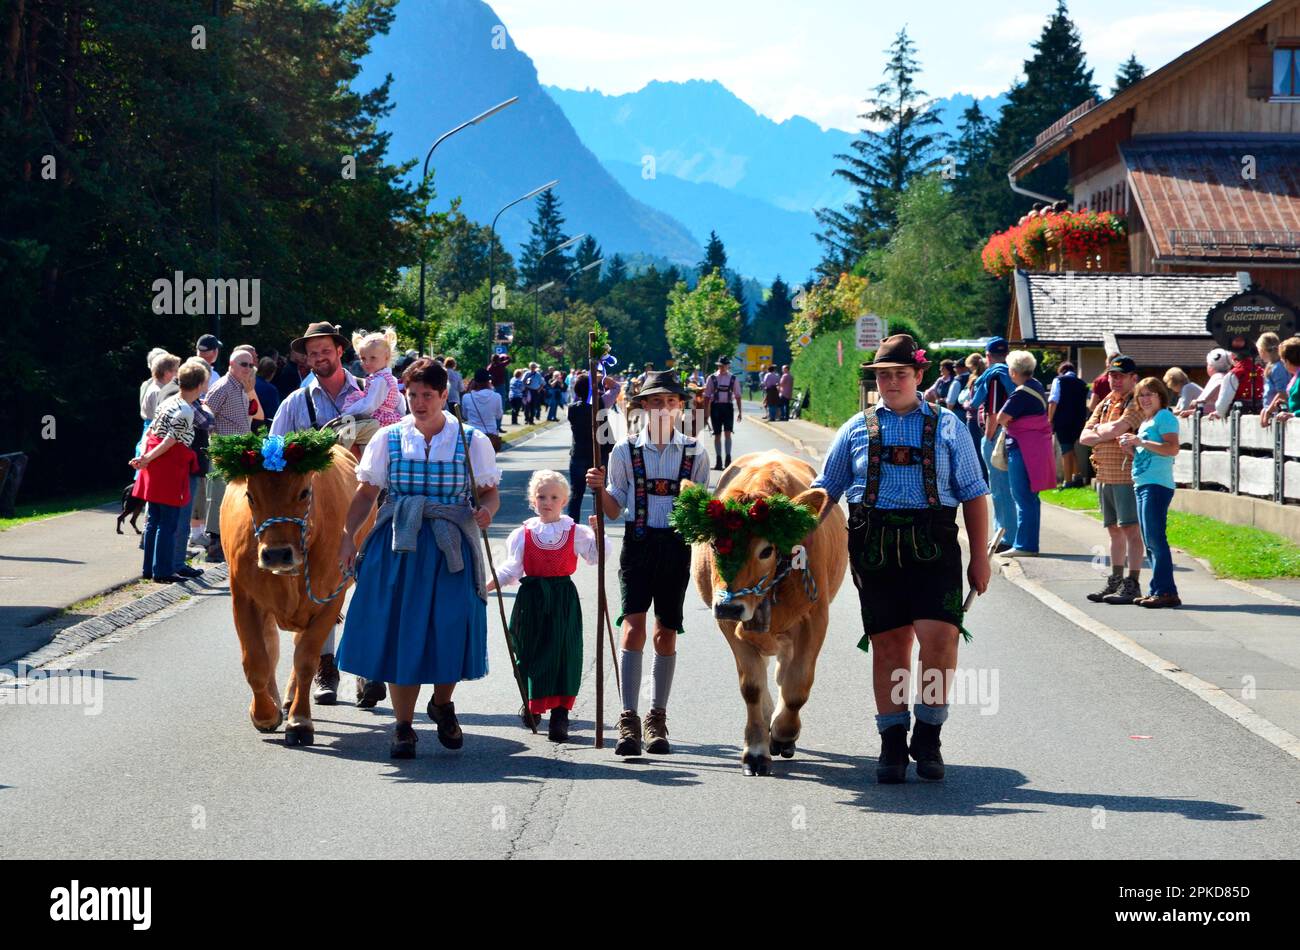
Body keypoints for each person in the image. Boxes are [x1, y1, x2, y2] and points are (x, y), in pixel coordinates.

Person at [811, 334, 990, 784]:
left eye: (900, 374)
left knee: (941, 640)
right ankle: (892, 742)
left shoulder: (948, 425)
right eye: (883, 375)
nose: (891, 382)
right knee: (890, 646)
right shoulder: (856, 427)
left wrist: (980, 558)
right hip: (873, 545)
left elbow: (973, 493)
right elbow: (825, 490)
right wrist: (792, 530)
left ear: (918, 375)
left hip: (934, 543)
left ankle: (928, 735)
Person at [336, 358, 501, 759]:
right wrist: (347, 536)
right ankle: (404, 725)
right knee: (400, 630)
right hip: (398, 544)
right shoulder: (388, 438)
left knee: (451, 624)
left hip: (450, 547)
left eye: (429, 394)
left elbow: (489, 493)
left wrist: (487, 512)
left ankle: (442, 703)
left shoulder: (471, 440)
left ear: (445, 395)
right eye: (413, 395)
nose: (420, 402)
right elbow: (365, 495)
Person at [585, 370, 711, 757]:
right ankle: (628, 718)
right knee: (633, 626)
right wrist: (598, 488)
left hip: (676, 549)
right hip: (637, 547)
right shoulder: (624, 450)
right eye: (656, 401)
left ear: (680, 408)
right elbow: (614, 507)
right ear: (642, 408)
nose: (664, 408)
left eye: (671, 402)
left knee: (666, 632)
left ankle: (658, 717)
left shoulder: (694, 452)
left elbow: (700, 510)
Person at [269, 321, 378, 706]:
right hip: (317, 516)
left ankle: (367, 667)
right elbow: (273, 457)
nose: (318, 358)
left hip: (369, 506)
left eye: (324, 351)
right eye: (311, 353)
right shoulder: (296, 403)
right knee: (321, 590)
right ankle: (324, 668)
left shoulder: (371, 392)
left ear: (339, 350)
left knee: (370, 587)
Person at [486, 470, 611, 742]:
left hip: (562, 597)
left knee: (564, 653)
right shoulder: (522, 534)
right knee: (528, 650)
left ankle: (560, 715)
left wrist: (599, 532)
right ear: (533, 500)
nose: (547, 501)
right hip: (531, 598)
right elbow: (512, 568)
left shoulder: (576, 532)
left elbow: (596, 557)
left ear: (564, 501)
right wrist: (488, 585)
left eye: (554, 497)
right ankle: (533, 700)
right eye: (541, 496)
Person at [129, 360, 209, 583]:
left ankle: (150, 568)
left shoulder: (170, 402)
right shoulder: (185, 410)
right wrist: (146, 458)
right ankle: (163, 571)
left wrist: (145, 457)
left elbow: (152, 431)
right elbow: (170, 440)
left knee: (154, 518)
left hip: (157, 464)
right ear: (201, 384)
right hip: (170, 467)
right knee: (169, 521)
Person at [1078, 354, 1145, 605]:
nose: (1114, 380)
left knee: (1130, 529)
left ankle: (1133, 583)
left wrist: (1101, 432)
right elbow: (1084, 435)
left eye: (1120, 376)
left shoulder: (1136, 401)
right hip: (1105, 474)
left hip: (1126, 475)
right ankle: (1116, 580)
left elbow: (1118, 429)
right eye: (1112, 375)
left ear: (1133, 378)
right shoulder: (1106, 401)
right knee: (1113, 531)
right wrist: (1103, 432)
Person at [1117, 378, 1182, 609]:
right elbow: (1148, 456)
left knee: (1155, 539)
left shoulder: (1164, 417)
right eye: (1141, 395)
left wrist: (1140, 441)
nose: (1145, 399)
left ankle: (1166, 591)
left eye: (1150, 394)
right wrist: (1132, 448)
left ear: (1160, 397)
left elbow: (1172, 448)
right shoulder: (1147, 421)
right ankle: (1158, 589)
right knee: (1150, 540)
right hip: (1144, 483)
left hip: (1157, 485)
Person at [201, 345, 265, 563]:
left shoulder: (241, 387)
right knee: (219, 496)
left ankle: (231, 539)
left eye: (251, 365)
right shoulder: (222, 387)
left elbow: (259, 415)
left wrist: (250, 388)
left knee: (237, 496)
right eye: (243, 364)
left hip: (239, 452)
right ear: (231, 365)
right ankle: (215, 544)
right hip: (223, 451)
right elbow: (205, 415)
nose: (248, 368)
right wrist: (216, 443)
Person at [994, 350, 1054, 556]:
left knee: (1022, 497)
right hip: (1035, 448)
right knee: (1031, 497)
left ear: (1013, 371)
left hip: (1022, 449)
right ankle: (1028, 543)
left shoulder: (1021, 392)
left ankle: (1025, 546)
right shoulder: (1036, 386)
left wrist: (1010, 420)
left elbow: (1001, 417)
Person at [968, 337, 1015, 553]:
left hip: (996, 437)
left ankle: (1004, 536)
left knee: (999, 489)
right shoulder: (1011, 374)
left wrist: (987, 437)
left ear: (987, 356)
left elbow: (993, 412)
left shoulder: (994, 377)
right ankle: (1007, 534)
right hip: (1010, 437)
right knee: (1006, 487)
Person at [340, 328, 406, 434]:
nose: (367, 362)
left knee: (355, 439)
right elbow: (400, 403)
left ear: (387, 357)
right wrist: (401, 418)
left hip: (379, 424)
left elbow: (369, 405)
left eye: (373, 358)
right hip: (390, 423)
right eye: (363, 358)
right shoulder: (390, 378)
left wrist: (348, 413)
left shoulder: (380, 381)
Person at [566, 374, 612, 520]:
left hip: (578, 454)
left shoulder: (572, 409)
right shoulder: (599, 407)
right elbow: (606, 431)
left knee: (576, 494)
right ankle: (597, 526)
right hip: (597, 454)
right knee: (598, 493)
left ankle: (573, 526)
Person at [1048, 361, 1089, 488]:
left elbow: (1053, 400)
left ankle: (1067, 481)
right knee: (1070, 448)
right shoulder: (1082, 383)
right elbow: (1089, 400)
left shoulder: (1059, 380)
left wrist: (1049, 420)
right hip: (1078, 421)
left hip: (1062, 420)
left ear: (1061, 371)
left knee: (1066, 450)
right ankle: (1077, 476)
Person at [703, 355, 742, 470]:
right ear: (718, 365)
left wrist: (740, 411)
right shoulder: (712, 378)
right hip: (716, 407)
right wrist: (706, 413)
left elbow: (738, 396)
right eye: (721, 365)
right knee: (717, 435)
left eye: (724, 365)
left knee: (728, 433)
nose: (722, 368)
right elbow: (706, 396)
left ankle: (728, 459)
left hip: (728, 407)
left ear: (728, 365)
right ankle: (719, 460)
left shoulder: (733, 378)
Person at [461, 367, 504, 451]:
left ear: (475, 382)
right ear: (489, 381)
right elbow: (499, 416)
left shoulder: (467, 397)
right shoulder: (497, 396)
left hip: (473, 434)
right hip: (491, 435)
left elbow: (464, 416)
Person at [1261, 336, 1300, 426]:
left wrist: (1293, 414)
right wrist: (1286, 404)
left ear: (1287, 361)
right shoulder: (1296, 377)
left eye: (1283, 361)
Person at [1259, 332, 1290, 413]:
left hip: (1277, 413)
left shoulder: (1278, 367)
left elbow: (1282, 393)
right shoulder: (1272, 366)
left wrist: (1268, 411)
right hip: (1272, 412)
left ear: (1262, 350)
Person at [254, 358, 282, 428]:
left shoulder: (249, 382)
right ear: (272, 373)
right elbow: (274, 413)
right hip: (262, 427)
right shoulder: (271, 389)